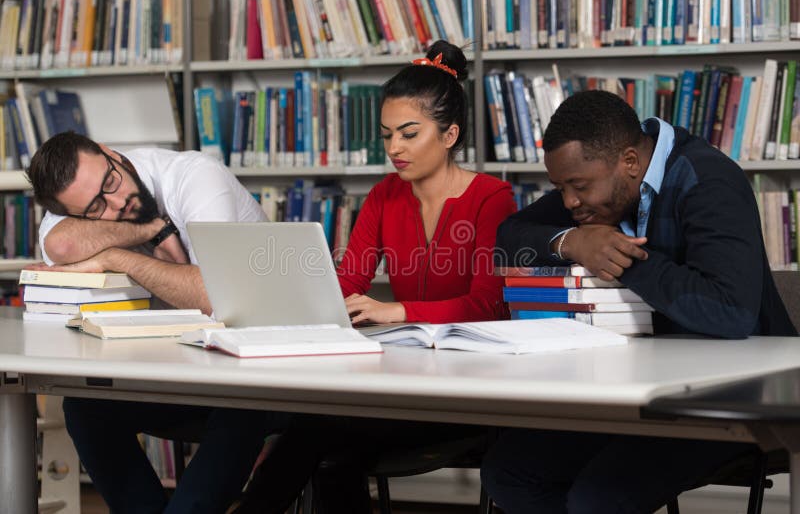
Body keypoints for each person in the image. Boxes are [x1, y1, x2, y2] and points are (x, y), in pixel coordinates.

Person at [233, 40, 517, 514]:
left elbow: (491, 305)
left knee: (313, 430)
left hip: (471, 388)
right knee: (326, 449)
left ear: (449, 135)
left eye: (409, 133)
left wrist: (396, 310)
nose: (394, 149)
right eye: (387, 136)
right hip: (399, 384)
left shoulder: (492, 198)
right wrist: (291, 303)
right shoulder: (386, 195)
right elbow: (348, 280)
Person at [481, 89, 798, 514]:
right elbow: (508, 239)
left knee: (598, 497)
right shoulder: (597, 184)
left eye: (577, 187)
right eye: (561, 188)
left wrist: (618, 256)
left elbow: (730, 311)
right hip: (631, 388)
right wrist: (573, 240)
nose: (570, 202)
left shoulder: (709, 181)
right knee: (509, 470)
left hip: (728, 397)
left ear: (629, 162)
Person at [26, 132, 276, 514]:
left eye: (110, 181)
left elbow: (214, 297)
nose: (117, 202)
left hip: (262, 374)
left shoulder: (194, 177)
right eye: (95, 207)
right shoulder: (87, 205)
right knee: (85, 408)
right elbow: (59, 246)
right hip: (183, 373)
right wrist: (151, 229)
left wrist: (121, 258)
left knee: (238, 406)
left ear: (113, 155)